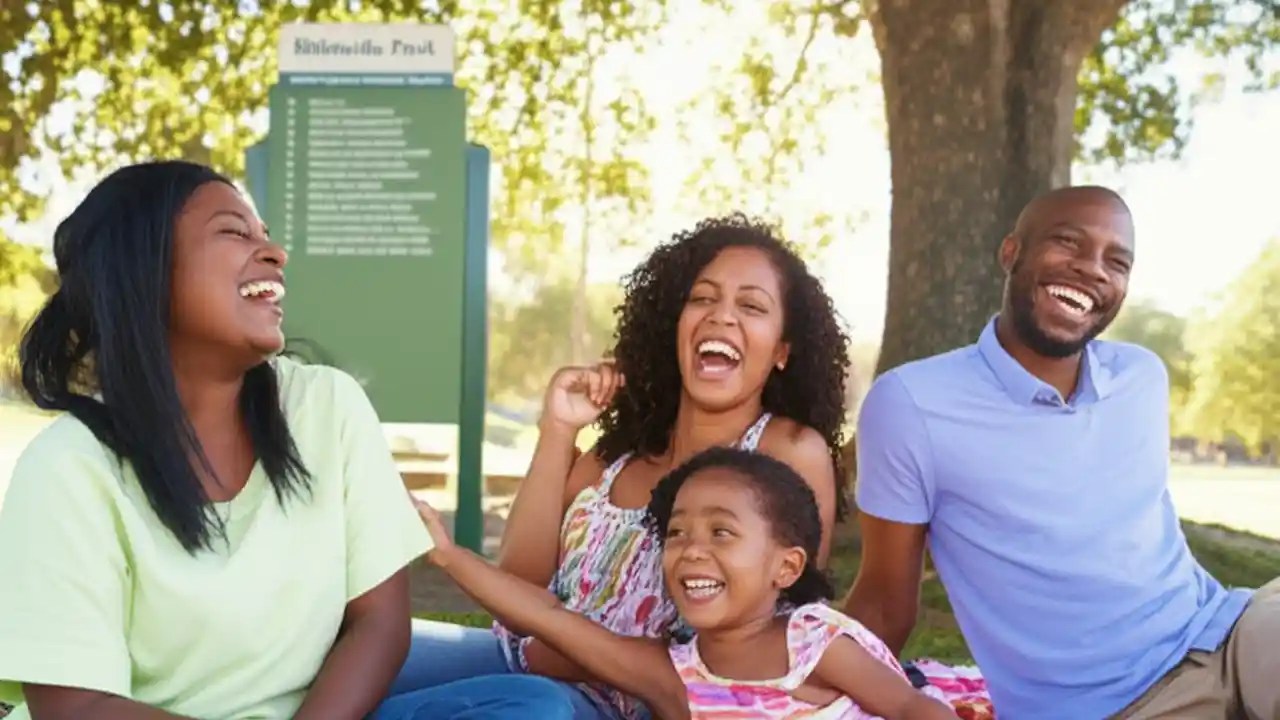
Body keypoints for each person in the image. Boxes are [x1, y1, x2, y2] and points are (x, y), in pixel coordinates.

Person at [0, 160, 575, 720]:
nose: (275, 253)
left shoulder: (327, 405)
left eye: (267, 236)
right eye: (232, 231)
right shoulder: (68, 469)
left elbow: (379, 621)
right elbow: (73, 704)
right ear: (143, 272)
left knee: (536, 708)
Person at [383, 214, 852, 718]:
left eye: (752, 306)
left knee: (538, 710)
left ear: (782, 351)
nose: (721, 317)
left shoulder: (785, 452)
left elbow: (758, 637)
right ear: (675, 325)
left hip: (626, 705)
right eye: (702, 298)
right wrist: (558, 431)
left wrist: (569, 654)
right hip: (518, 664)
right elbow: (517, 587)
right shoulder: (615, 457)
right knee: (341, 649)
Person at [844, 185, 1280, 719]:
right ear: (1011, 253)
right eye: (1068, 242)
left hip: (1235, 627)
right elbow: (885, 605)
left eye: (1116, 261)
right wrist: (791, 670)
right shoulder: (911, 403)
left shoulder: (1141, 376)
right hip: (1124, 705)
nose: (1093, 269)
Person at [416, 448, 956, 720]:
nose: (693, 549)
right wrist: (448, 555)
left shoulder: (812, 643)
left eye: (722, 531)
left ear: (786, 569)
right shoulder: (675, 676)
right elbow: (552, 620)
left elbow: (914, 710)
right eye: (676, 532)